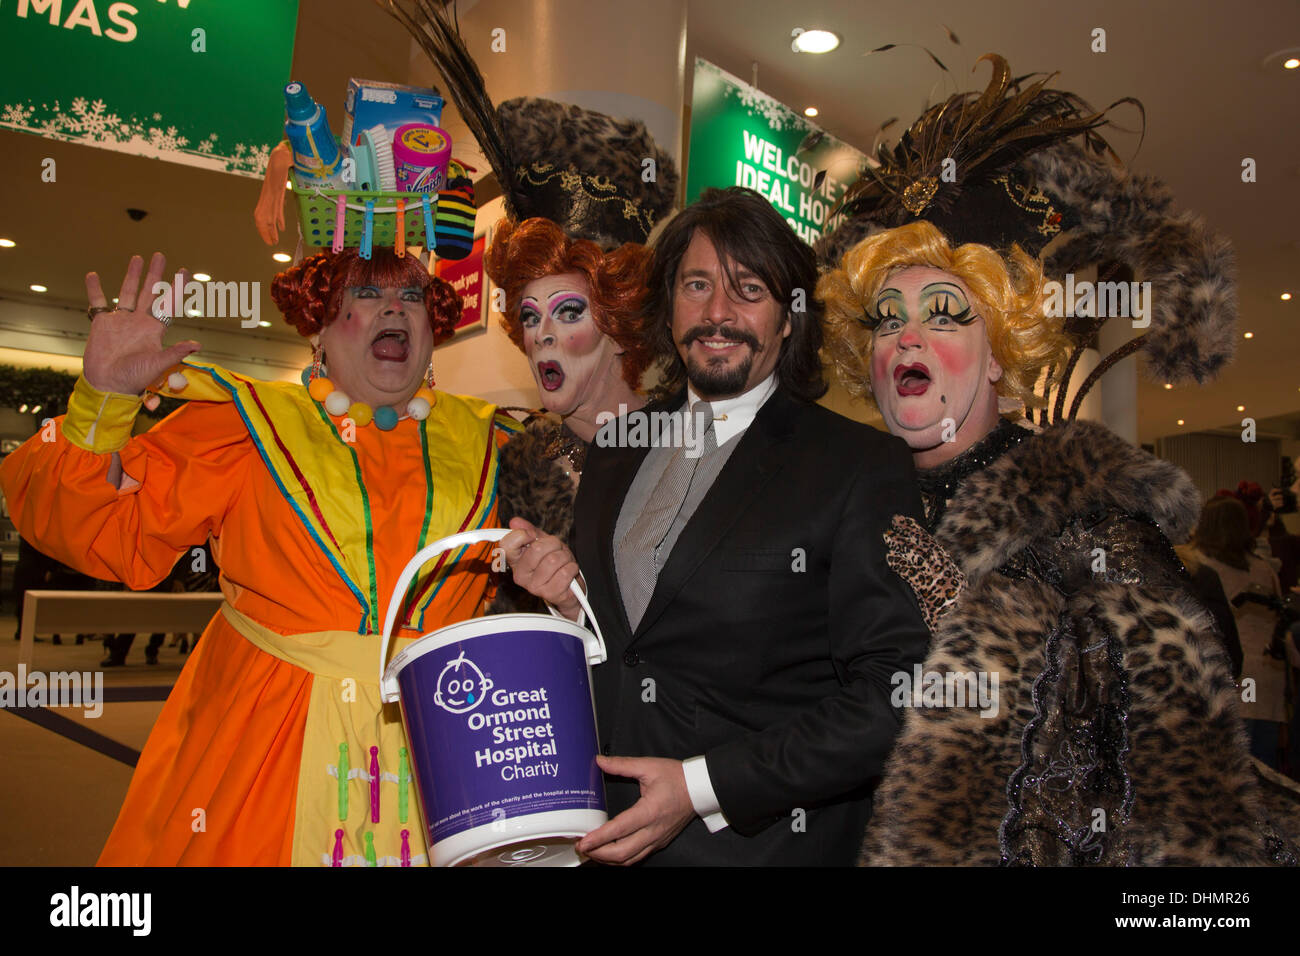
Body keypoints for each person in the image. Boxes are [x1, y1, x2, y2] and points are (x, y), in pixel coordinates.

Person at [0, 247, 518, 866]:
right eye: (365, 295)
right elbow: (97, 531)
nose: (394, 310)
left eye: (411, 298)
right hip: (265, 736)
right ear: (320, 329)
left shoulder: (496, 439)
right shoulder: (249, 425)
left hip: (446, 732)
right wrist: (102, 400)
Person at [818, 220, 1298, 864]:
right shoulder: (850, 500)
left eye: (943, 317)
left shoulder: (1077, 499)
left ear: (995, 360)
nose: (907, 336)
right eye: (886, 321)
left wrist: (964, 626)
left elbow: (1170, 718)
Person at [502, 186, 931, 866]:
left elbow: (895, 692)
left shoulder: (855, 465)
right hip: (603, 840)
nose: (718, 313)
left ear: (789, 318)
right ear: (668, 308)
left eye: (749, 289)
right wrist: (566, 600)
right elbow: (628, 645)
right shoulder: (617, 448)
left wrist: (701, 787)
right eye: (697, 285)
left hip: (757, 848)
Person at [1190, 495, 1298, 770]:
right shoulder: (1264, 568)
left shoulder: (1199, 567)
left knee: (1228, 770)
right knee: (1265, 769)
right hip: (1266, 675)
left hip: (1225, 674)